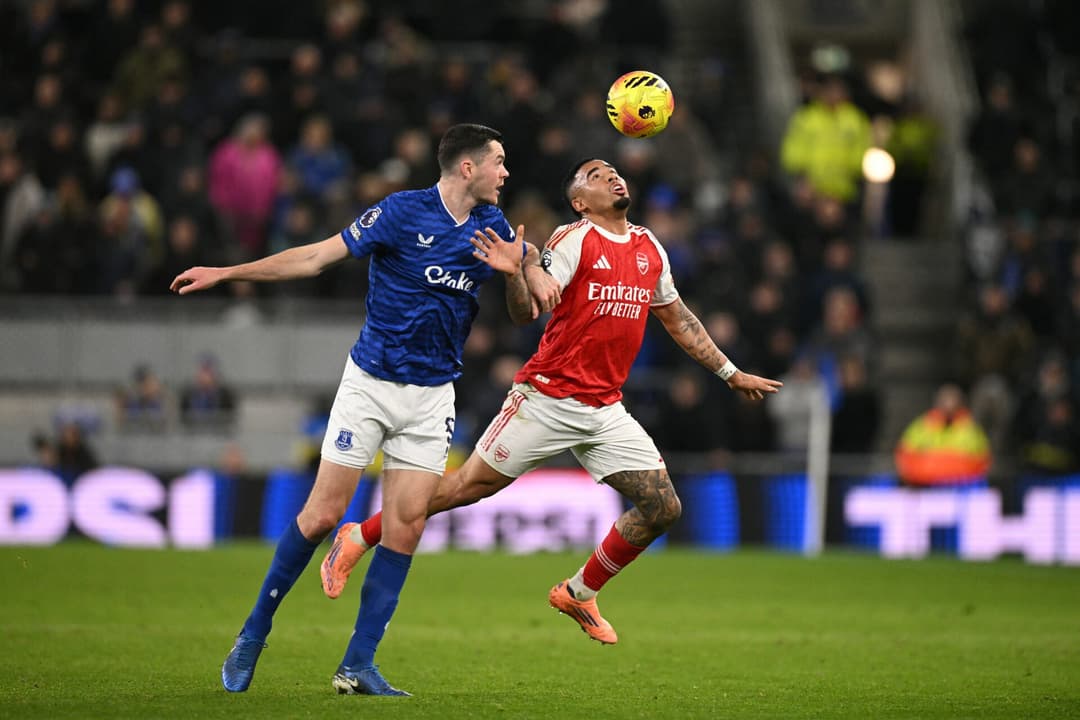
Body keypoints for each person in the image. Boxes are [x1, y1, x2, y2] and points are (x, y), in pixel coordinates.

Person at [320, 158, 782, 645]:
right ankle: (360, 535)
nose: (611, 175)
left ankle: (579, 592)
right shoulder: (574, 238)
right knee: (464, 489)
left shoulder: (650, 248)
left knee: (662, 506)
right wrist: (521, 272)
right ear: (580, 201)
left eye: (613, 170)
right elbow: (533, 305)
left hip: (604, 409)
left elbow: (679, 319)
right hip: (546, 397)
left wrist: (730, 373)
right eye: (596, 174)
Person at [171, 124, 557, 696]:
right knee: (324, 513)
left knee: (406, 525)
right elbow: (315, 258)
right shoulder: (402, 213)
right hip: (371, 384)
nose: (507, 172)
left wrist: (516, 273)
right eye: (498, 162)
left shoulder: (493, 228)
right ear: (467, 168)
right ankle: (254, 632)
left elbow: (524, 316)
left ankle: (357, 665)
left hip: (432, 396)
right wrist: (229, 273)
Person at [894, 383, 992, 486]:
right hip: (925, 487)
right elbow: (904, 456)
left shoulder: (971, 429)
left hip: (961, 488)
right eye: (945, 400)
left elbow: (983, 459)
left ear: (961, 403)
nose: (949, 404)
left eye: (953, 400)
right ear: (937, 402)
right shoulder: (922, 426)